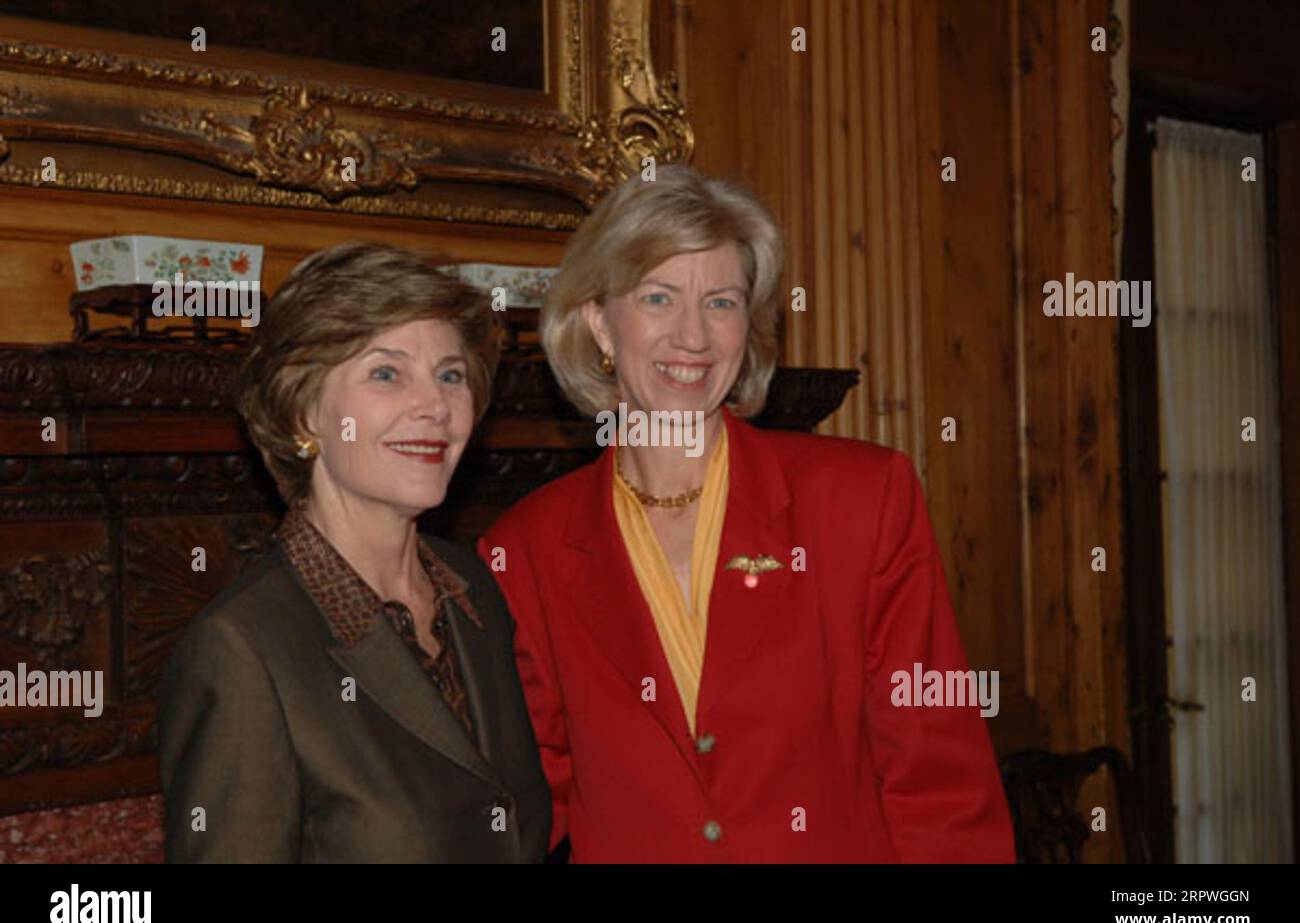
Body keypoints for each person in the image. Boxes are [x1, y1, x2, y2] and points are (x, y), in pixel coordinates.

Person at [477, 165, 1015, 862]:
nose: (693, 338)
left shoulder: (860, 500)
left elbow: (940, 781)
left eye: (722, 303)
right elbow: (526, 801)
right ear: (597, 323)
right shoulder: (524, 548)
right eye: (659, 297)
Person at [159, 243, 550, 862]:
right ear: (304, 411)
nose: (434, 406)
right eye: (387, 373)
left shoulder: (473, 590)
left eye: (451, 375)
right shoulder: (243, 649)